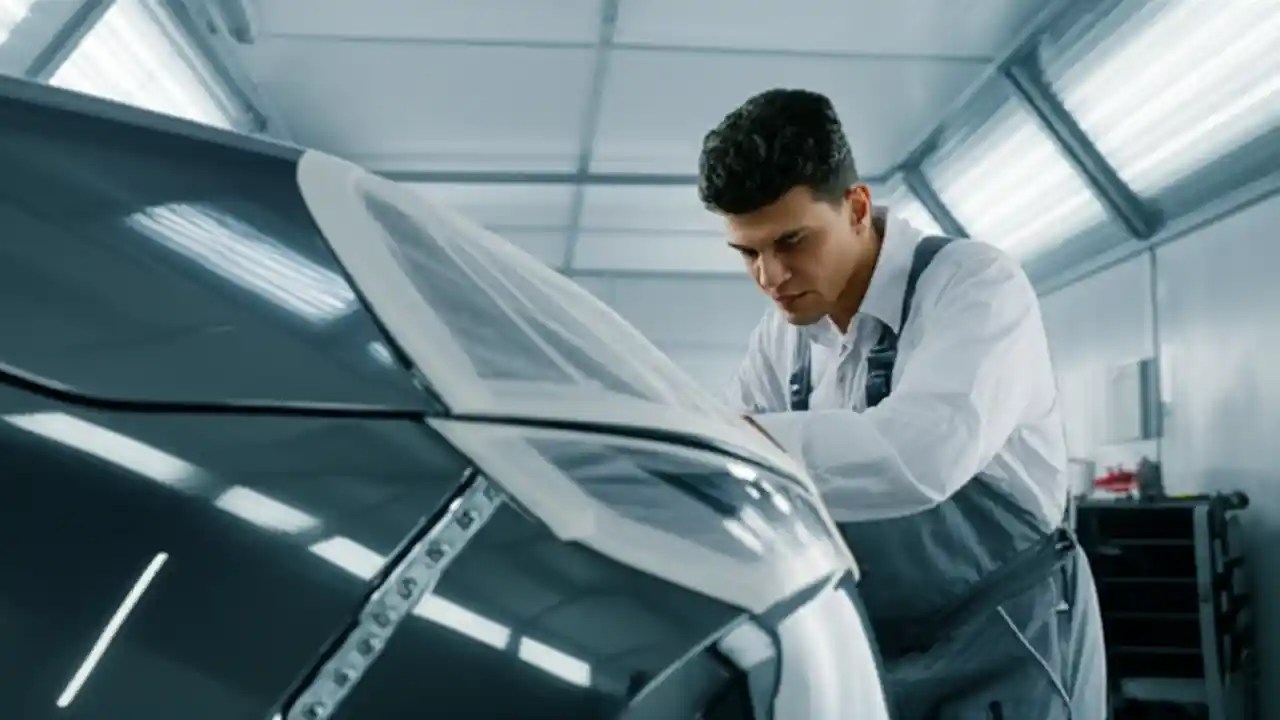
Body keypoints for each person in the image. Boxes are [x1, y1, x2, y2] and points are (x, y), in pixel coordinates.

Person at [699, 88, 1107, 719]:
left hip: (1010, 641)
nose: (770, 277)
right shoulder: (782, 338)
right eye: (749, 253)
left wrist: (726, 439)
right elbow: (733, 478)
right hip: (882, 651)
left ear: (857, 207)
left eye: (792, 242)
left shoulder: (974, 286)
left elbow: (919, 456)